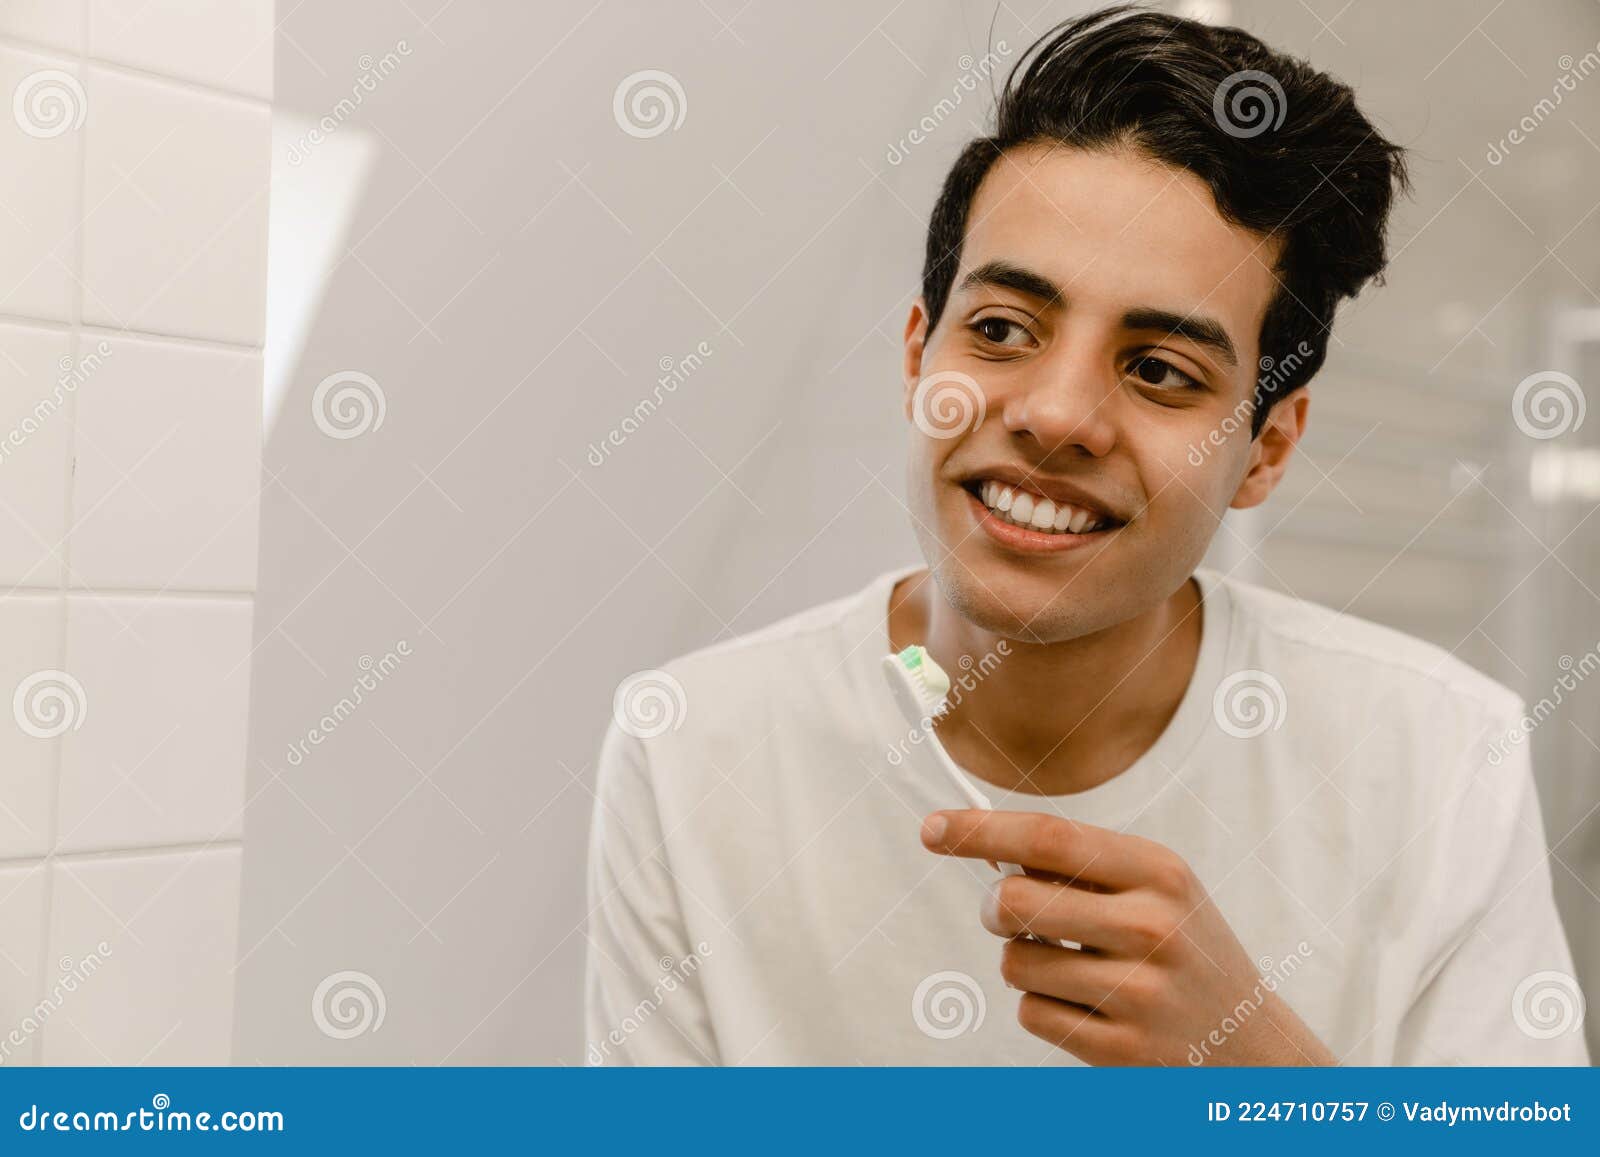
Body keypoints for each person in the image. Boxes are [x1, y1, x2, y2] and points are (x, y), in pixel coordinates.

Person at [584, 5, 1589, 1066]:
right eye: (1002, 330)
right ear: (918, 357)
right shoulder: (692, 747)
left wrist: (1254, 1068)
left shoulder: (1434, 754)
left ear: (1264, 449)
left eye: (1159, 368)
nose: (1055, 416)